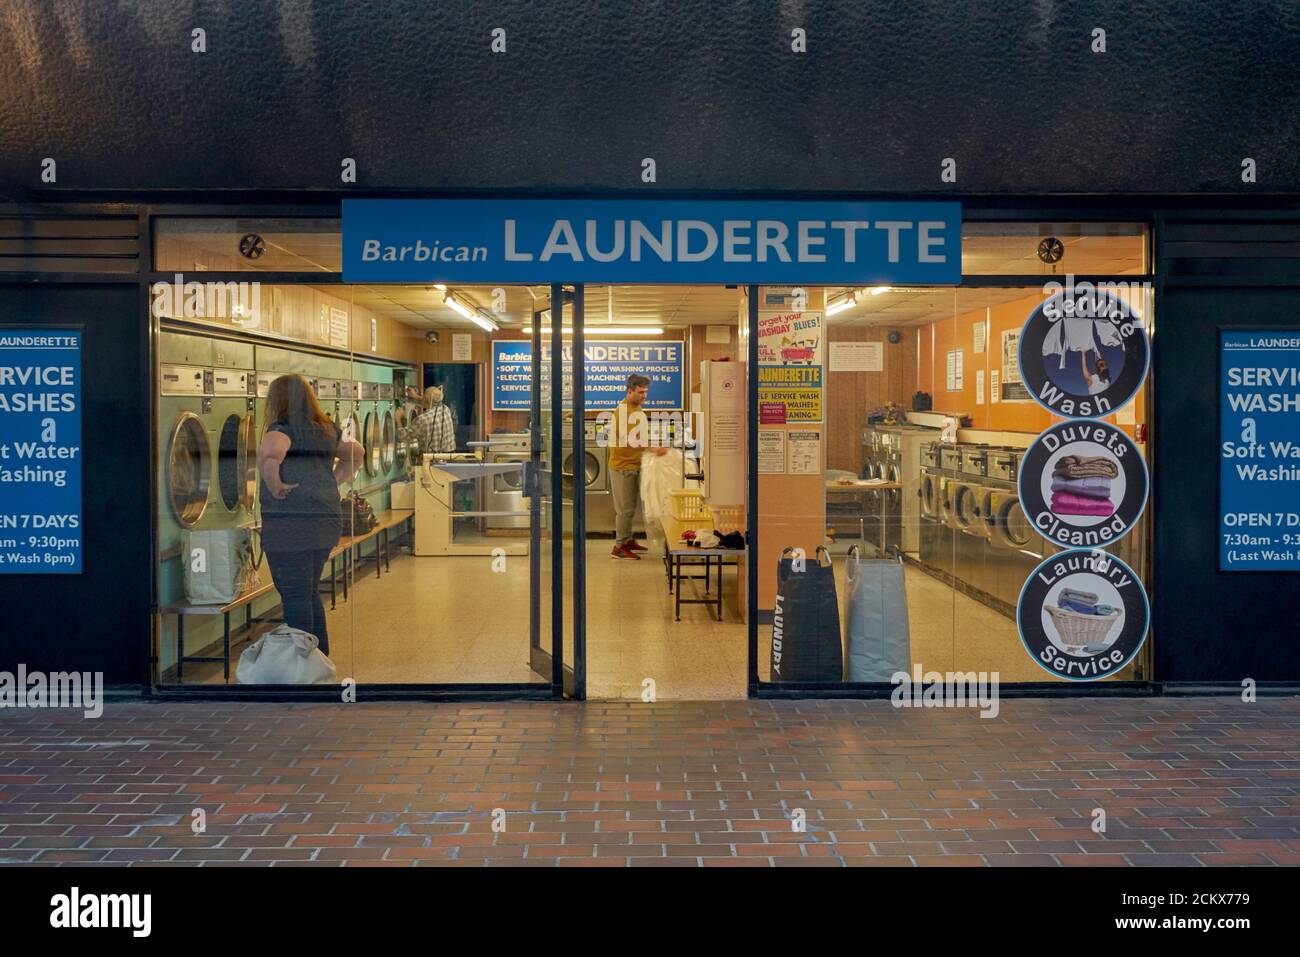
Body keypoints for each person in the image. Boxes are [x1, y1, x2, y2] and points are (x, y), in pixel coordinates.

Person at [257, 374, 364, 656]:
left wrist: (275, 484)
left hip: (291, 523)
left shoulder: (281, 428)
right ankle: (319, 659)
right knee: (308, 591)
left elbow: (271, 457)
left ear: (276, 400)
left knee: (294, 594)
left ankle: (304, 664)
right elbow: (357, 453)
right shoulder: (327, 428)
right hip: (326, 519)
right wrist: (332, 480)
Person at [606, 373, 667, 560]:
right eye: (640, 392)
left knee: (630, 507)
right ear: (629, 390)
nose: (644, 396)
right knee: (624, 509)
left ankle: (628, 539)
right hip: (622, 466)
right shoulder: (624, 411)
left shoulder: (636, 408)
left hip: (633, 464)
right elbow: (630, 439)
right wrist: (653, 448)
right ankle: (619, 546)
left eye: (646, 392)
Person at [414, 385, 457, 455]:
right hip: (450, 457)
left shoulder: (423, 419)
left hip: (433, 460)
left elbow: (402, 436)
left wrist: (399, 419)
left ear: (425, 399)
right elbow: (430, 403)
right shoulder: (446, 409)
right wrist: (416, 397)